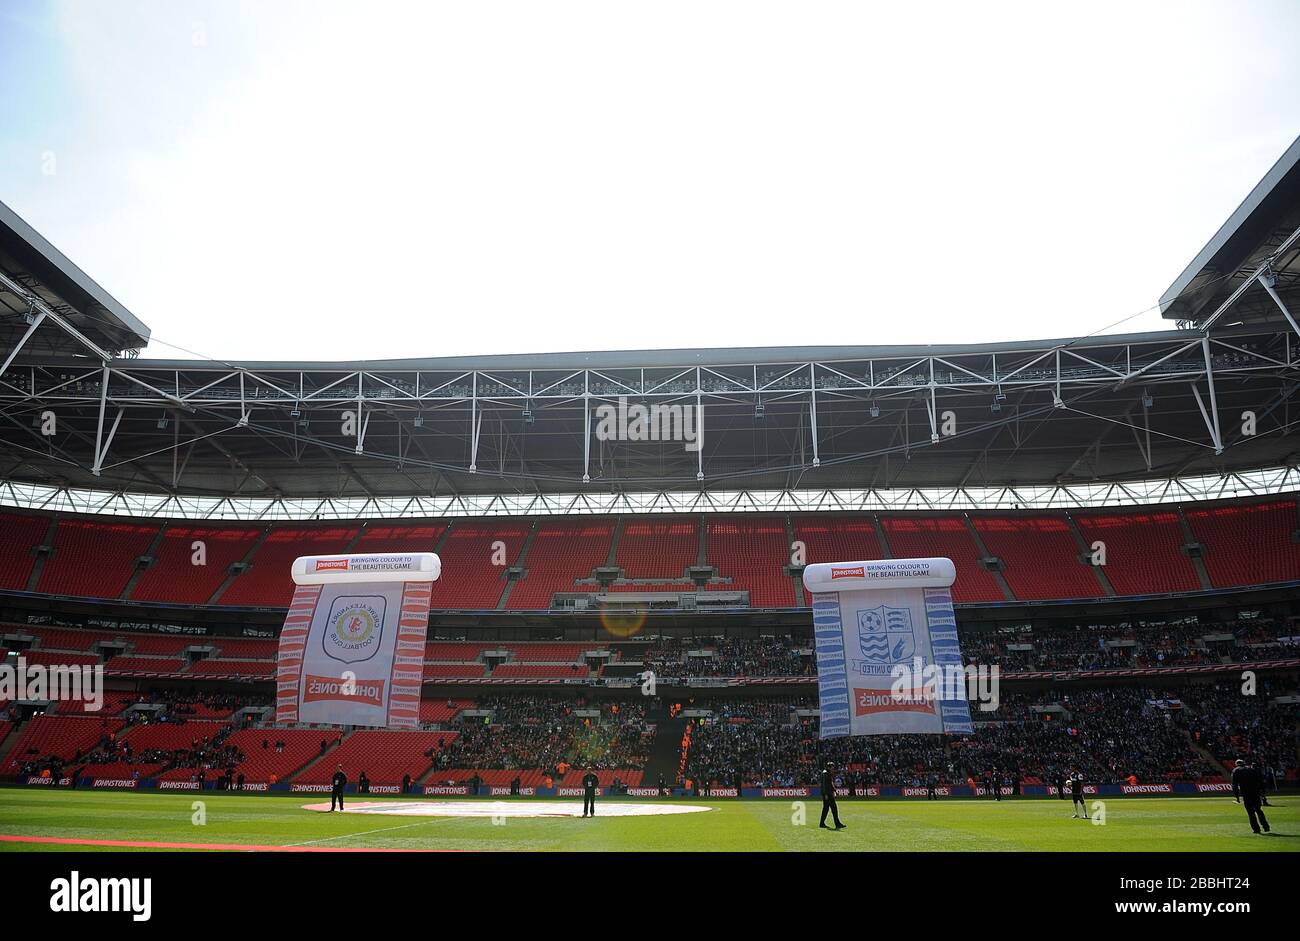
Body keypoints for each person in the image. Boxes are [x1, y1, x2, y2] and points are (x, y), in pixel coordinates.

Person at [1231, 759, 1270, 835]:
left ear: (1236, 764)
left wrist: (1237, 797)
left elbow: (1234, 785)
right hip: (1255, 792)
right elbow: (1260, 781)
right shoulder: (1252, 769)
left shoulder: (1235, 771)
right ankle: (1266, 826)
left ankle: (1256, 829)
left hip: (1246, 794)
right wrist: (1263, 793)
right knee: (1258, 810)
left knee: (1251, 813)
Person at [819, 761, 845, 830]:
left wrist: (835, 791)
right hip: (828, 794)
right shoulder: (825, 773)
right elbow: (825, 785)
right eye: (832, 767)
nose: (833, 769)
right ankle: (837, 824)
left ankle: (822, 823)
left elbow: (830, 784)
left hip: (828, 793)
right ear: (829, 767)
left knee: (826, 809)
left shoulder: (826, 773)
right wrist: (826, 794)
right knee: (833, 808)